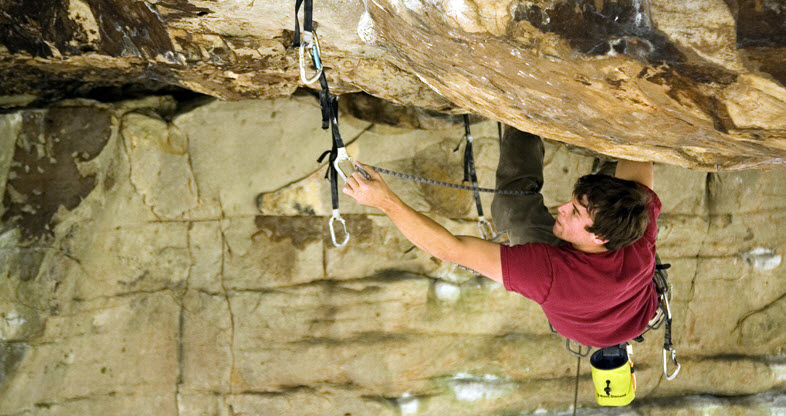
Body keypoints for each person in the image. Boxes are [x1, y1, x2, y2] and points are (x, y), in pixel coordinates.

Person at [342, 127, 659, 348]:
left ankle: (522, 121)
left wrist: (384, 201)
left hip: (582, 304)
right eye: (572, 202)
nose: (561, 208)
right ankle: (532, 117)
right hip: (628, 303)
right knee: (612, 180)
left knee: (511, 210)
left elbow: (451, 249)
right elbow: (637, 145)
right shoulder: (638, 225)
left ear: (600, 237)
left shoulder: (548, 274)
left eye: (574, 212)